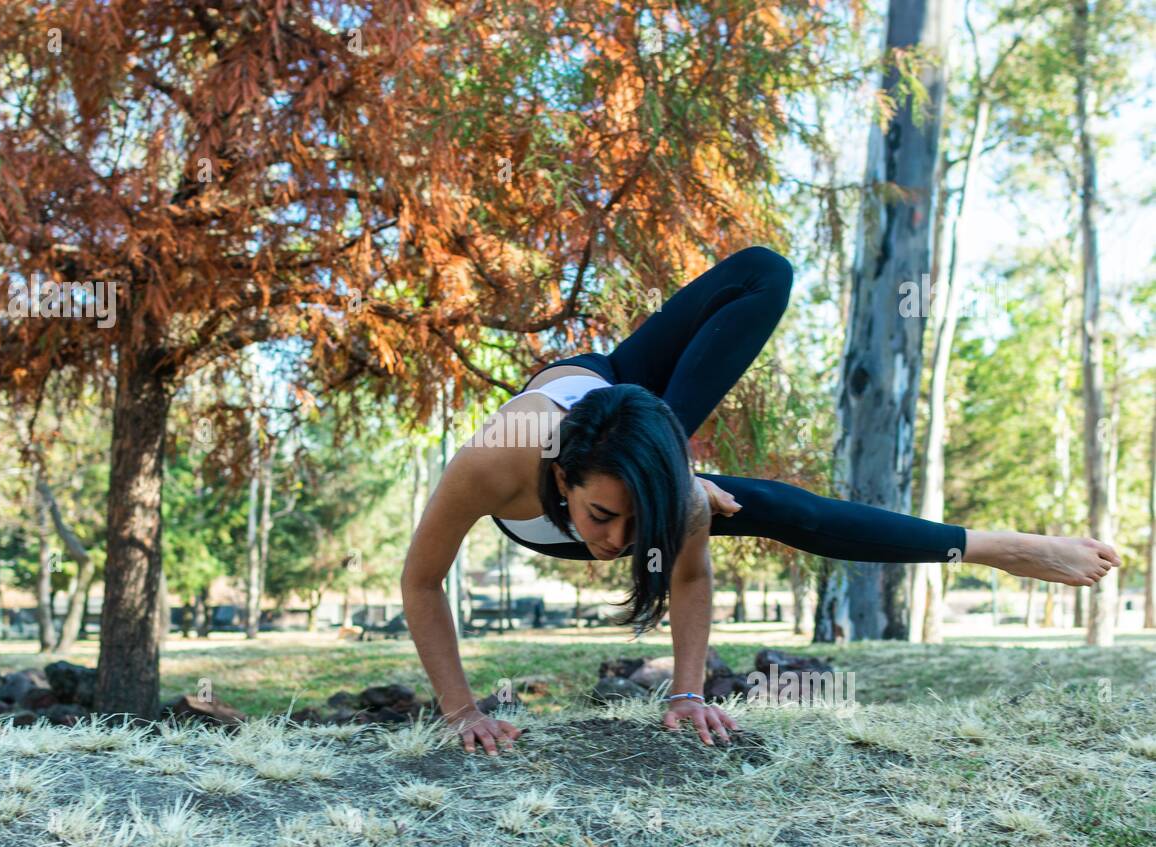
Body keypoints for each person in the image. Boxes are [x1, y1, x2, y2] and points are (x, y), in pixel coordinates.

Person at [401, 245, 1121, 756]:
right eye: (603, 517)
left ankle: (1001, 546)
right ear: (564, 484)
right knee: (744, 501)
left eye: (636, 520)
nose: (618, 541)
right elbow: (422, 578)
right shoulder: (498, 458)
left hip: (639, 424)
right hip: (598, 409)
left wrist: (686, 694)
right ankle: (666, 464)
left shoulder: (662, 502)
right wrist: (461, 711)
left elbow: (686, 573)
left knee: (764, 276)